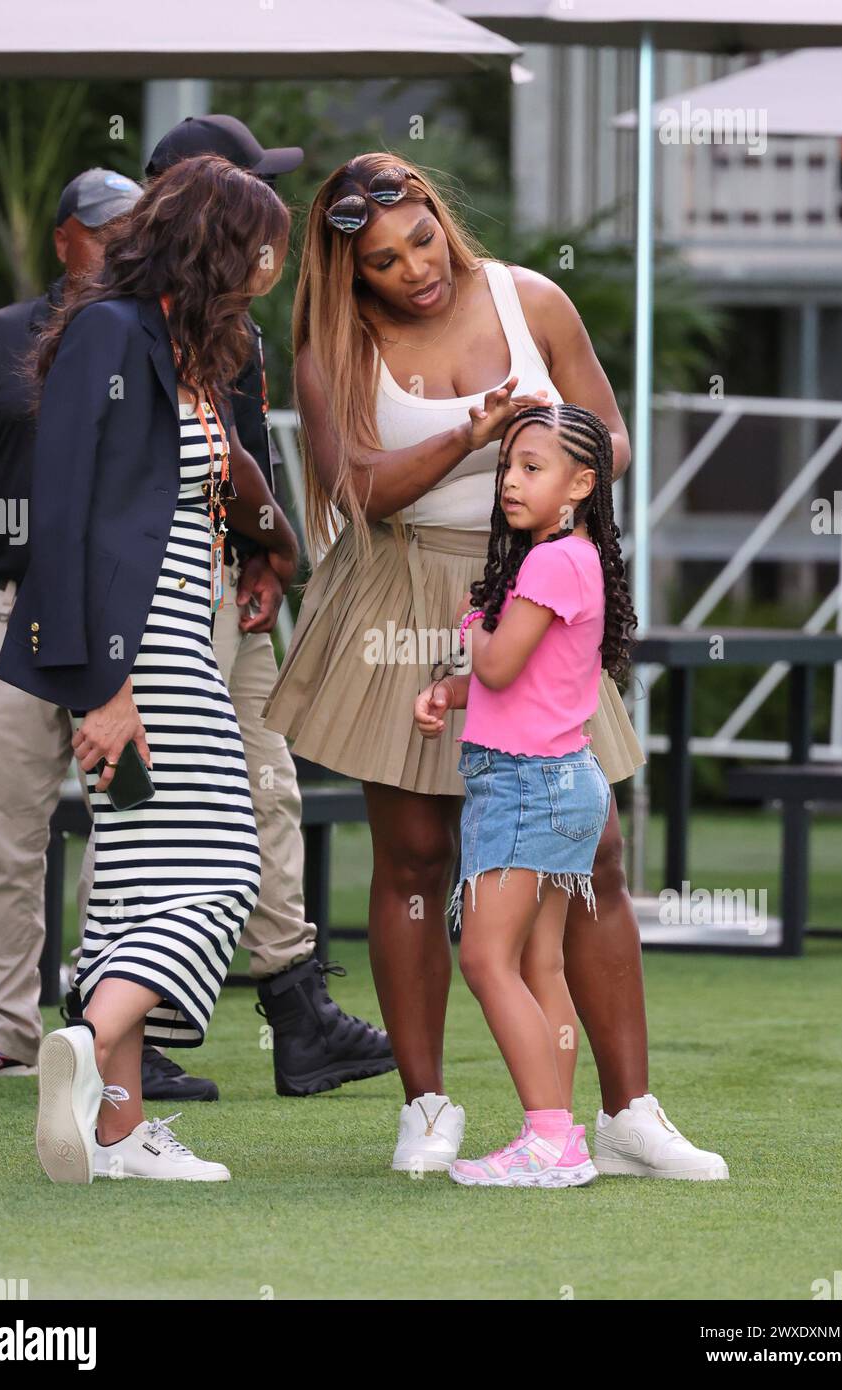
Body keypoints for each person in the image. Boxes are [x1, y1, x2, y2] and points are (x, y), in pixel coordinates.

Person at [262, 152, 728, 1180]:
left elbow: (611, 437)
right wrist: (474, 437)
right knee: (417, 855)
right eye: (383, 261)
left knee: (591, 848)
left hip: (536, 591)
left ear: (438, 213)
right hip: (403, 596)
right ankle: (426, 1104)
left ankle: (628, 1111)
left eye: (421, 238)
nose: (414, 269)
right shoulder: (336, 343)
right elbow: (355, 493)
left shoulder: (532, 298)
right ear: (352, 272)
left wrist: (553, 453)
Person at [0, 154, 287, 1183]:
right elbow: (61, 515)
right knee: (223, 869)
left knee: (130, 882)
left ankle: (117, 1128)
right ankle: (89, 1037)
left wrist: (264, 543)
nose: (274, 267)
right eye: (264, 246)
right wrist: (104, 686)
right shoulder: (110, 335)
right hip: (140, 653)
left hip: (164, 641)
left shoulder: (172, 342)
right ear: (217, 242)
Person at [136, 114, 394, 1097]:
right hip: (154, 586)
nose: (269, 210)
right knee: (150, 803)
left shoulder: (228, 320)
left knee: (266, 787)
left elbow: (244, 458)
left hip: (229, 577)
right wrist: (275, 542)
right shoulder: (126, 317)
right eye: (247, 188)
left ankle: (295, 1010)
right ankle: (132, 1022)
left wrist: (261, 554)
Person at [0, 169, 159, 1083]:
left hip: (125, 620)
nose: (118, 242)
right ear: (66, 238)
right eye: (104, 229)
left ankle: (102, 1026)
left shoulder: (165, 335)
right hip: (6, 608)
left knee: (129, 824)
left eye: (133, 228)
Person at [415, 403, 625, 1187]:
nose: (510, 481)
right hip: (563, 781)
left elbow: (500, 664)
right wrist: (451, 691)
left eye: (532, 468)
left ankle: (550, 1139)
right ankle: (558, 1139)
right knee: (541, 967)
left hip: (527, 787)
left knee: (484, 959)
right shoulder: (574, 557)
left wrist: (471, 623)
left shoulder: (547, 563)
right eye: (508, 466)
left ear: (579, 483)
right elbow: (520, 683)